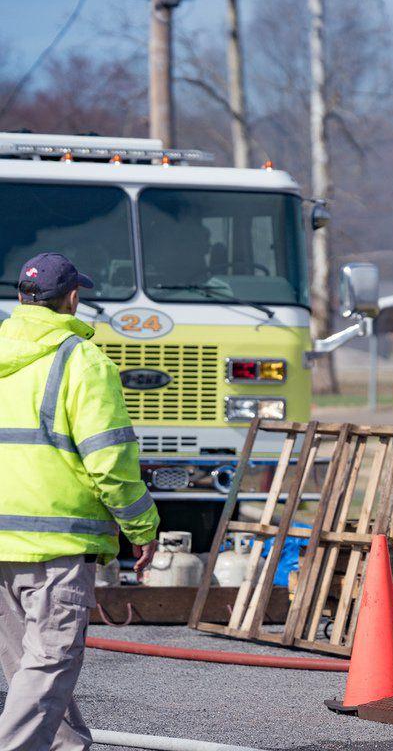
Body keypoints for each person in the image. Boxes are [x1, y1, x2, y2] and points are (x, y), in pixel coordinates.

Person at [0, 253, 159, 751]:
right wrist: (142, 529)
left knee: (28, 669)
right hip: (57, 545)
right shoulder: (82, 361)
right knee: (48, 665)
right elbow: (110, 464)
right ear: (72, 298)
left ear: (22, 298)